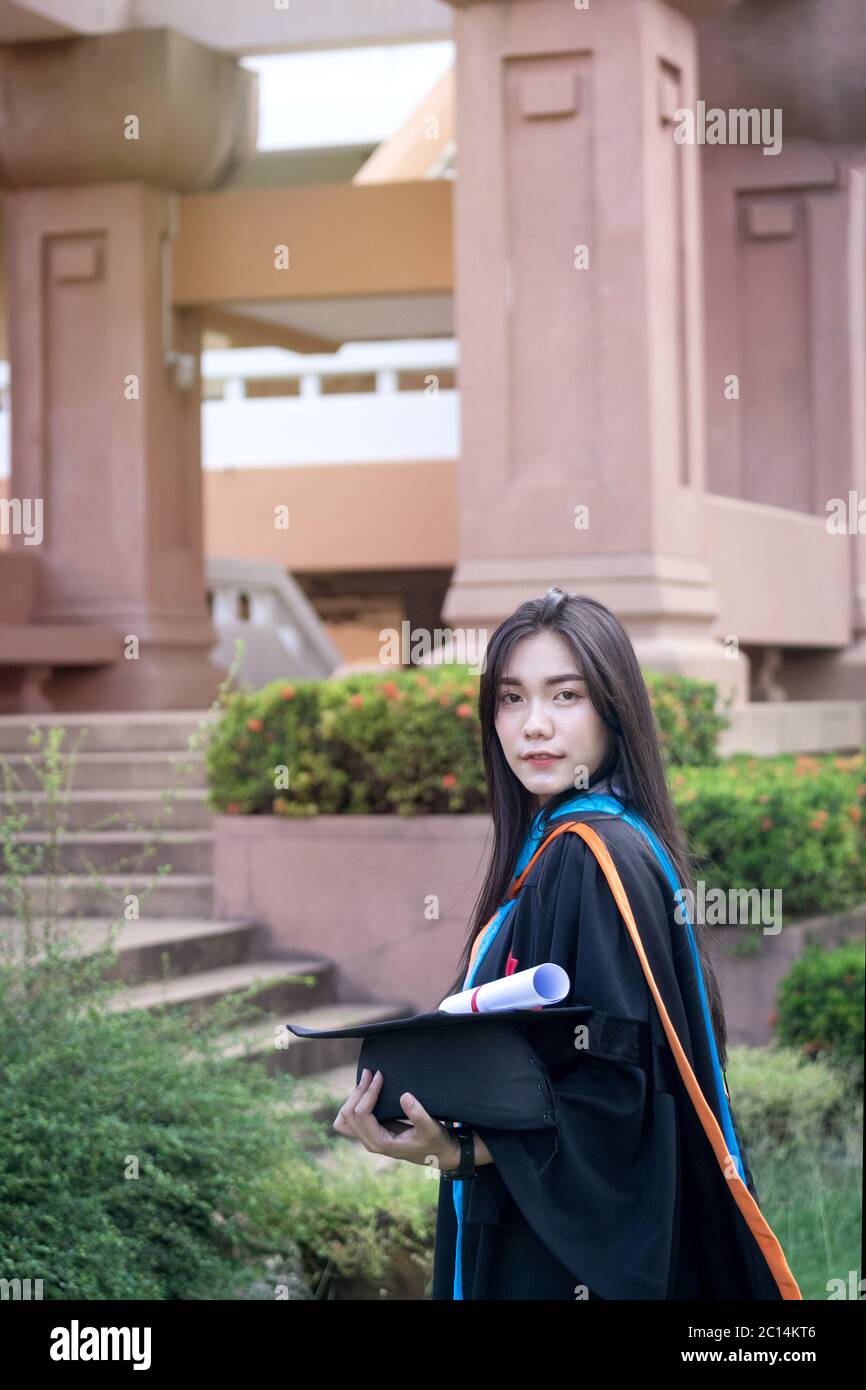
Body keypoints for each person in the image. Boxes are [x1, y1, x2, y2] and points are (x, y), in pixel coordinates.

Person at [334, 587, 802, 1301]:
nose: (534, 727)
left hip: (556, 1266)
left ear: (613, 707)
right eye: (512, 699)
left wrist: (459, 1150)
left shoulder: (590, 857)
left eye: (566, 695)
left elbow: (619, 1102)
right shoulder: (590, 844)